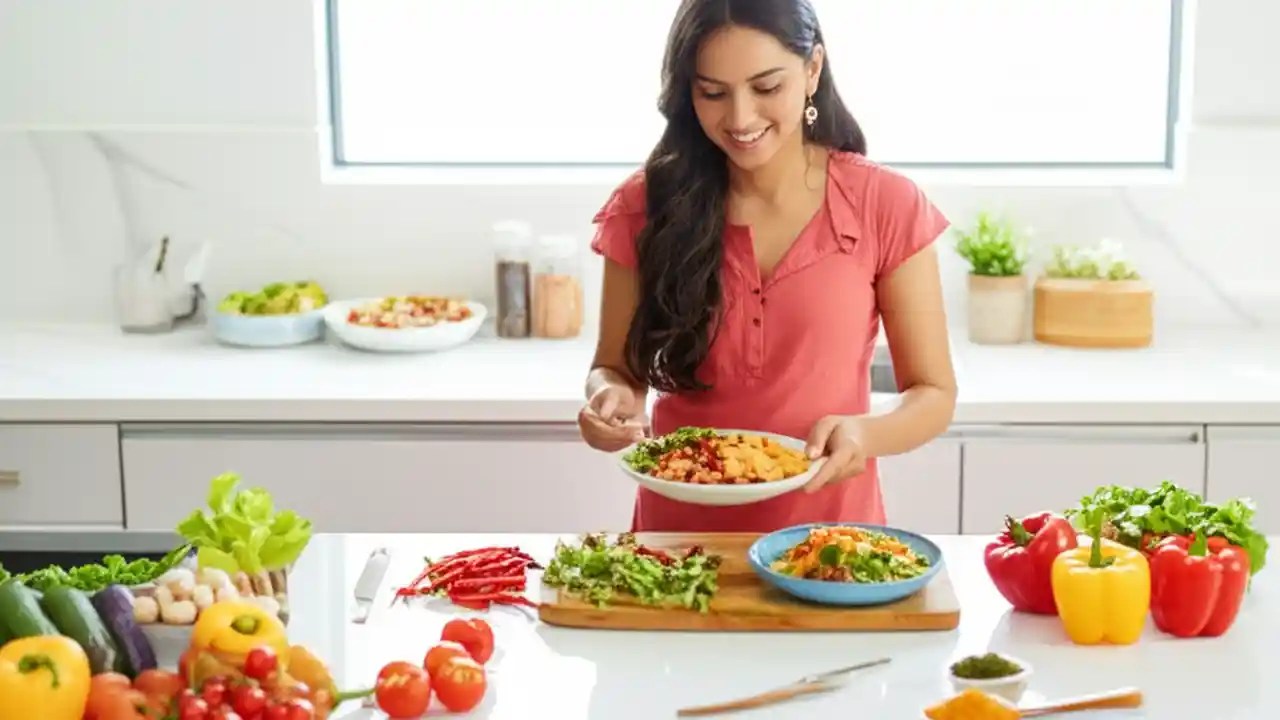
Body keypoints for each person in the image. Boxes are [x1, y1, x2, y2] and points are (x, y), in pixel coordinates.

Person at [578, 0, 958, 533]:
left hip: (828, 542)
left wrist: (866, 434)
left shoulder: (885, 203)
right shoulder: (646, 206)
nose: (740, 118)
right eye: (713, 92)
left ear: (812, 70)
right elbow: (614, 368)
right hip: (678, 542)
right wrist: (609, 399)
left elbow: (933, 392)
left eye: (766, 87)